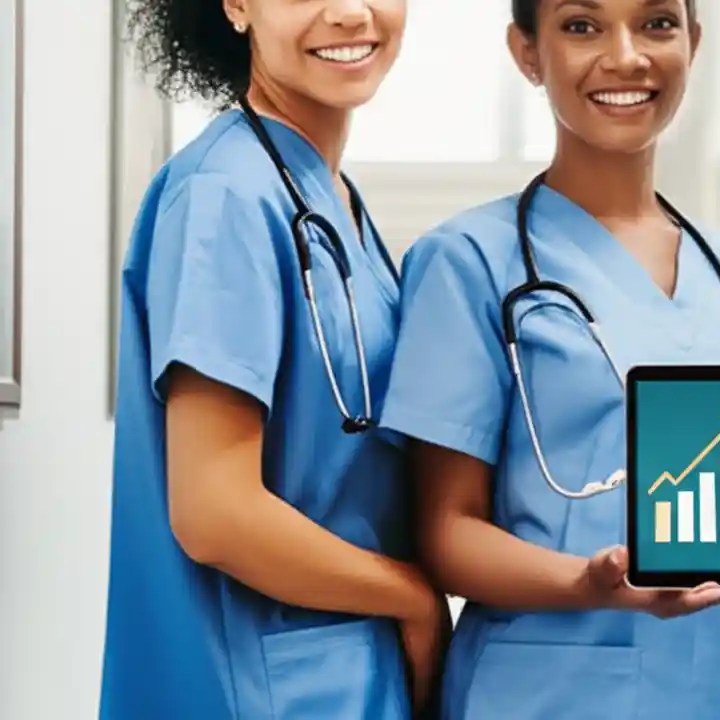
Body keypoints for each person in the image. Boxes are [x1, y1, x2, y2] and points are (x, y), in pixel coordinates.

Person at [378, 0, 720, 718]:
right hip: (552, 692)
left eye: (657, 23)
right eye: (581, 26)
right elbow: (443, 532)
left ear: (693, 42)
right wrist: (587, 583)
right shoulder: (469, 264)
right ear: (527, 52)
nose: (626, 57)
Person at [100, 2, 448, 718]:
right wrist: (411, 597)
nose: (350, 12)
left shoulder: (328, 197)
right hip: (264, 688)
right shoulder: (226, 193)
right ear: (235, 5)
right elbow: (215, 513)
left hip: (341, 675)